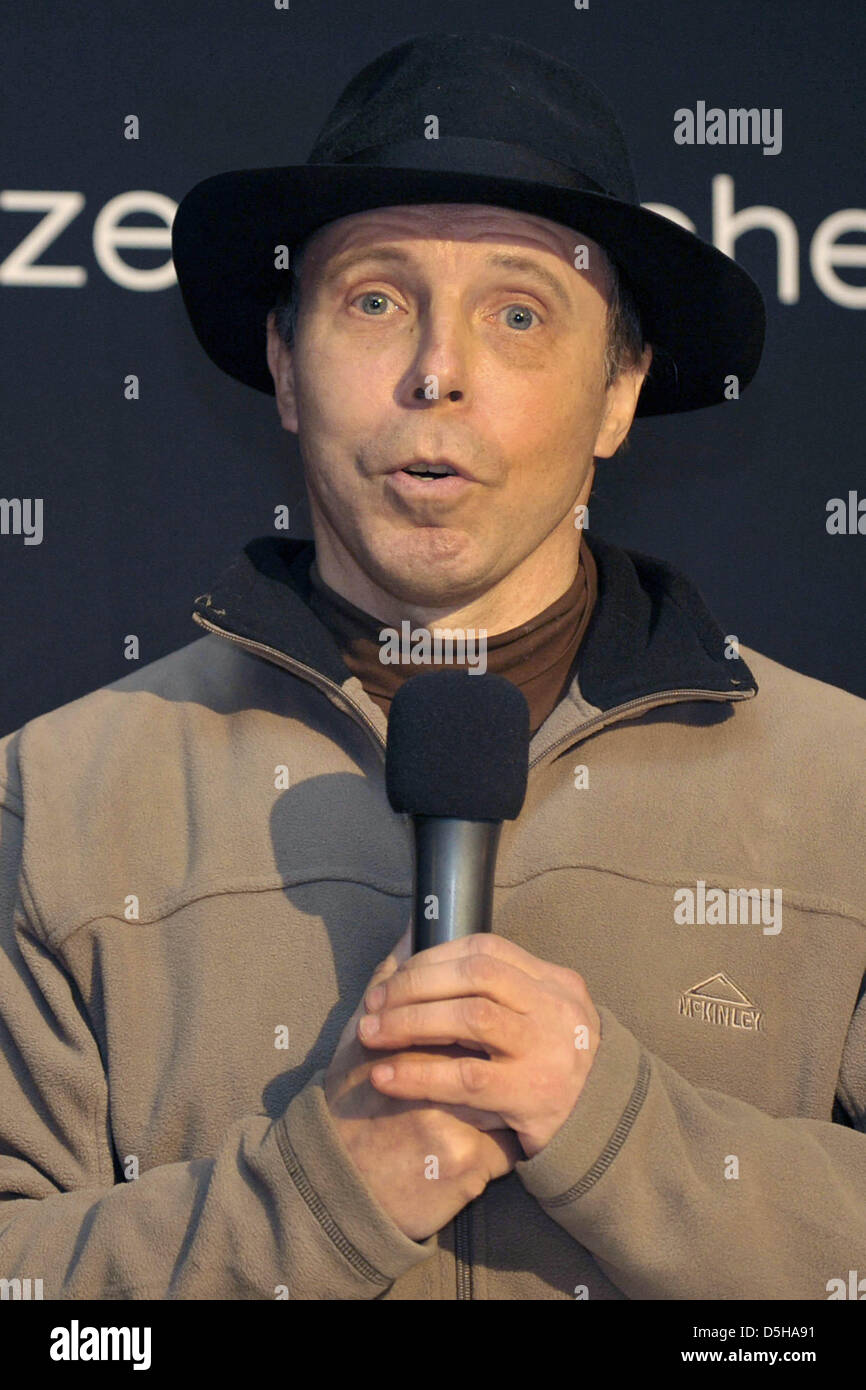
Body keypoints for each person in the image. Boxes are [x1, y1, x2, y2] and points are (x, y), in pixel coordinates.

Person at [0, 31, 864, 1302]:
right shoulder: (58, 795)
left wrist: (622, 1131)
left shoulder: (841, 787)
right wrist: (313, 1199)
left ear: (618, 391)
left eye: (517, 311)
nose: (436, 372)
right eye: (374, 300)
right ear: (286, 367)